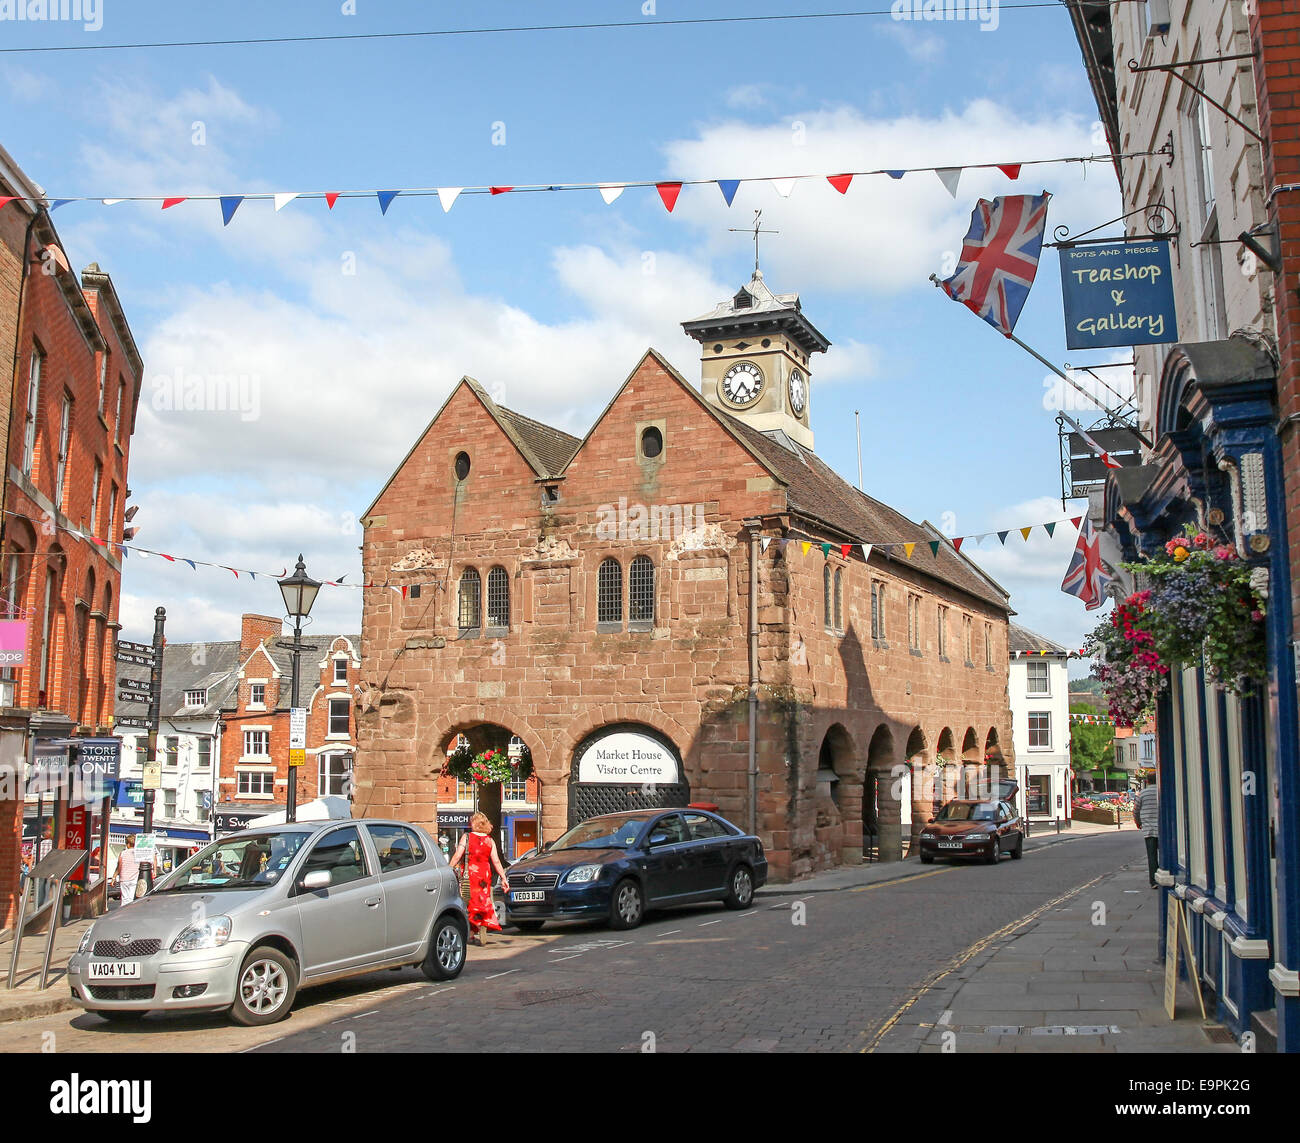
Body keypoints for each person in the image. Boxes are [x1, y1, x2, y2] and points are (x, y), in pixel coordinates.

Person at [447, 812, 510, 945]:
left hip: (469, 875)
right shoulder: (490, 840)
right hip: (484, 876)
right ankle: (481, 927)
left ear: (474, 823)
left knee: (467, 902)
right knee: (482, 902)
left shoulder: (467, 837)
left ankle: (469, 933)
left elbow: (458, 855)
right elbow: (496, 861)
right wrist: (503, 878)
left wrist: (448, 868)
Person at [1133, 775, 1159, 888]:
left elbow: (1136, 810)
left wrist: (1138, 822)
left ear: (1147, 781)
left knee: (1152, 856)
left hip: (1149, 830)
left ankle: (1153, 881)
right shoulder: (1160, 791)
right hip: (1162, 829)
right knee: (1164, 855)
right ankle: (1165, 876)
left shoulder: (1143, 794)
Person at [116, 836, 141, 906]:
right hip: (134, 878)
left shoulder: (123, 853)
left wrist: (115, 876)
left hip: (124, 878)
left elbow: (119, 866)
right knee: (131, 898)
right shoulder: (138, 853)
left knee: (124, 898)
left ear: (128, 844)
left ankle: (123, 911)